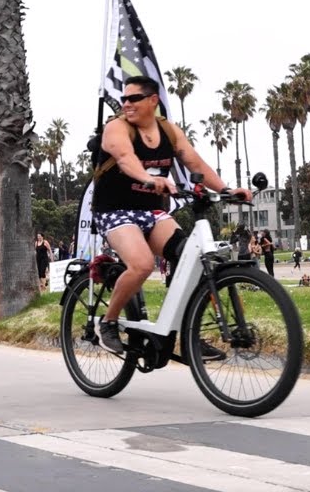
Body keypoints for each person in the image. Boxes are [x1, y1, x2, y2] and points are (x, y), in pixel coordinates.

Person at [90, 76, 250, 355]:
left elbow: (195, 163)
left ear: (153, 100)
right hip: (115, 210)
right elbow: (126, 159)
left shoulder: (169, 131)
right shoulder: (117, 128)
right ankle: (108, 322)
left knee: (190, 258)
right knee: (142, 265)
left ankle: (189, 334)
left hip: (151, 211)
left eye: (134, 98)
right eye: (124, 99)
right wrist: (149, 179)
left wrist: (226, 190)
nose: (126, 104)